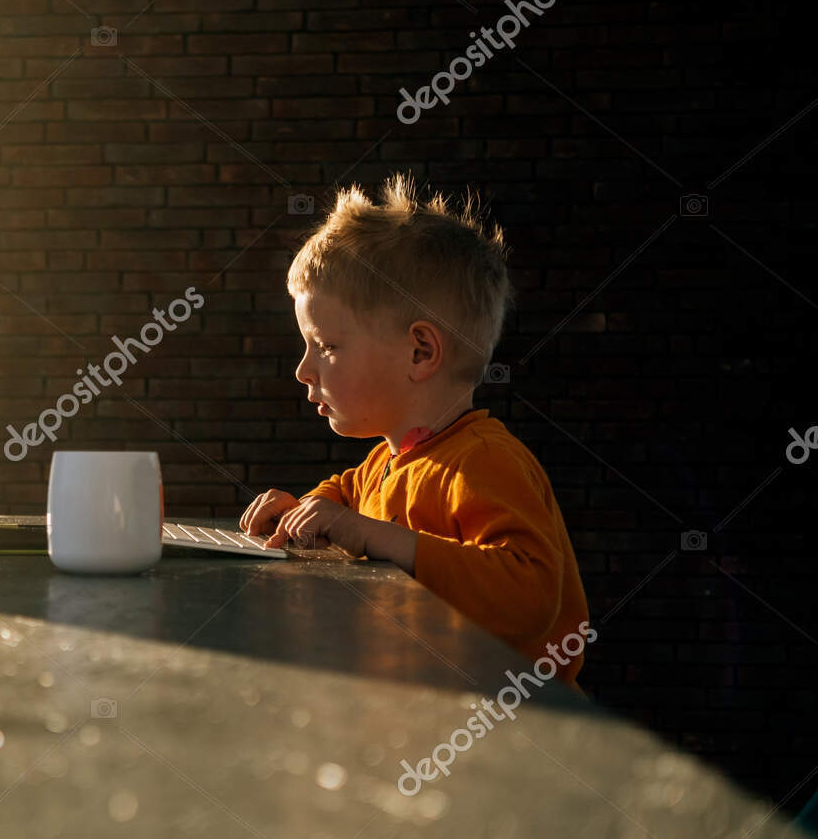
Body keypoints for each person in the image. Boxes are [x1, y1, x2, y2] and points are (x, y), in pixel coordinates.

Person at [240, 174, 591, 687]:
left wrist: (372, 534)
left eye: (326, 346)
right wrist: (305, 510)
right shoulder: (390, 461)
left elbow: (531, 597)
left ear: (420, 352)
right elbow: (344, 492)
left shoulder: (484, 460)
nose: (303, 370)